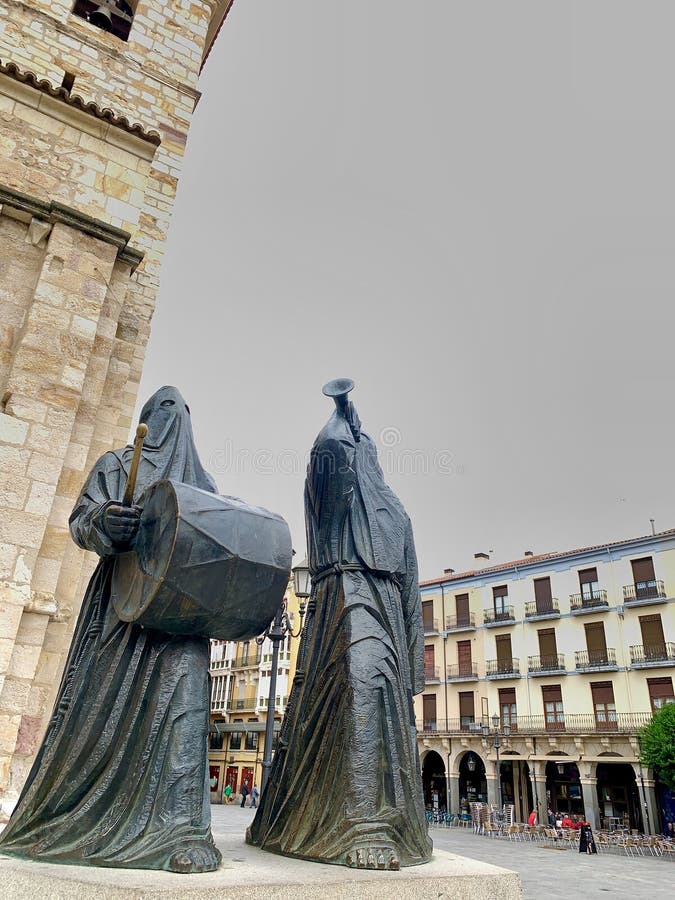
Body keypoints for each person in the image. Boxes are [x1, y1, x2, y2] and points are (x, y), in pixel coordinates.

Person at [0, 387, 221, 874]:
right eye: (163, 408)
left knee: (184, 703)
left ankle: (182, 829)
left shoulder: (206, 487)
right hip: (119, 609)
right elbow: (81, 520)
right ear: (145, 418)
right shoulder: (120, 464)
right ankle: (77, 815)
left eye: (182, 409)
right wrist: (104, 520)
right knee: (98, 710)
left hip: (180, 621)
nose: (174, 417)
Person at [247, 379, 432, 870]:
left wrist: (415, 664)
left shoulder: (397, 513)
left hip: (387, 605)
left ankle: (382, 821)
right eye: (352, 445)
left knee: (377, 693)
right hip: (343, 592)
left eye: (361, 445)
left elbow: (412, 590)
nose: (357, 448)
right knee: (360, 681)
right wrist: (338, 426)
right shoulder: (332, 466)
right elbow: (326, 483)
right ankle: (360, 823)